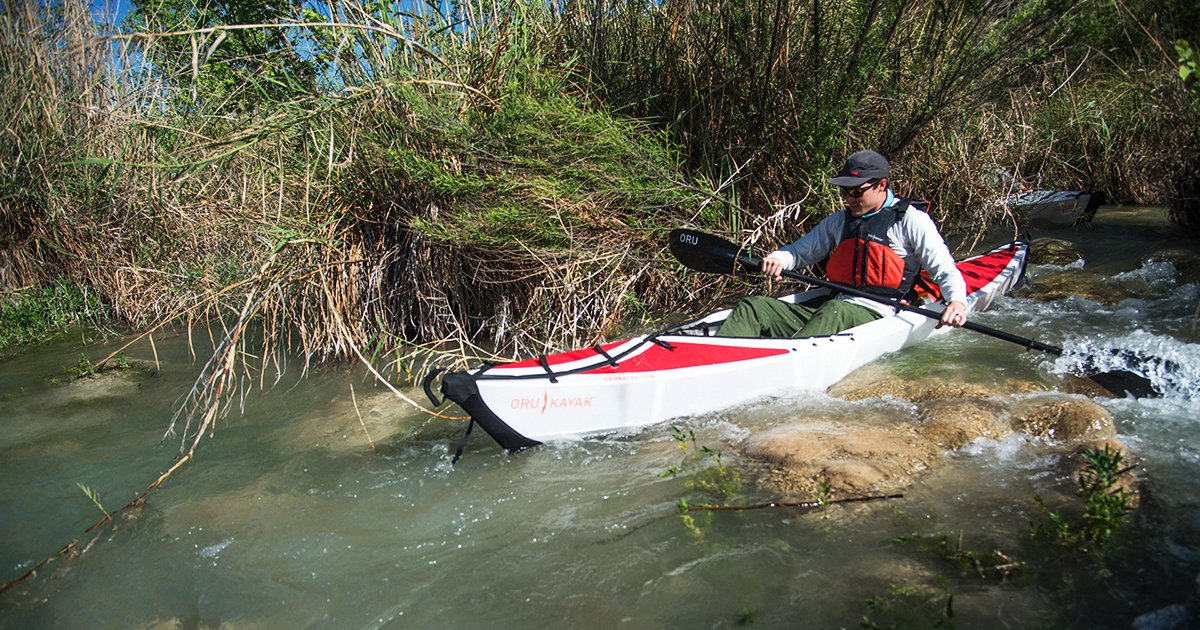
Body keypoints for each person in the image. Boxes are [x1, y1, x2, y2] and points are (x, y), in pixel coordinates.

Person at [717, 150, 969, 338]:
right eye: (845, 192)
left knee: (835, 310)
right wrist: (779, 259)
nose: (849, 198)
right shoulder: (838, 221)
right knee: (755, 306)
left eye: (856, 192)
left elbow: (944, 268)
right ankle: (718, 360)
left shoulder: (911, 221)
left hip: (880, 312)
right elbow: (799, 252)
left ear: (881, 185)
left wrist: (957, 301)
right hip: (835, 307)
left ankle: (788, 360)